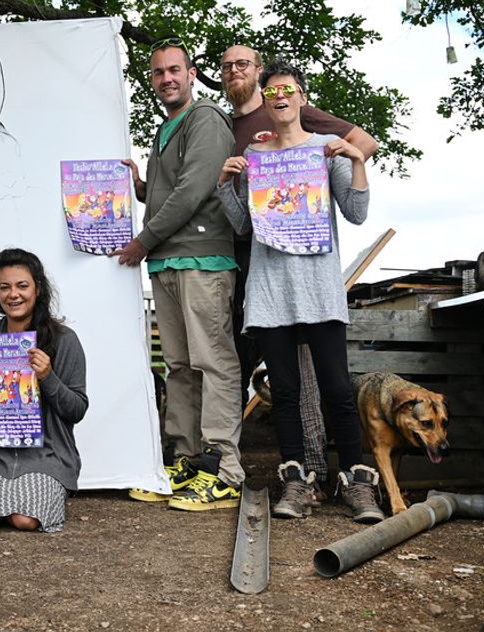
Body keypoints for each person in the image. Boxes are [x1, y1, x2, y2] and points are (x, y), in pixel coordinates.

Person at [217, 59, 383, 523]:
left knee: (338, 390)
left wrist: (356, 160)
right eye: (272, 92)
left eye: (288, 90)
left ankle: (357, 483)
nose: (280, 97)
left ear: (302, 98)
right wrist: (226, 183)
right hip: (271, 290)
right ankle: (297, 482)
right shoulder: (256, 156)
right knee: (285, 393)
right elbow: (244, 225)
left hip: (319, 288)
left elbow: (356, 213)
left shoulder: (325, 149)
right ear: (265, 101)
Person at [113, 38, 243, 511]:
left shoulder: (205, 117)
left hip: (202, 260)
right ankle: (186, 459)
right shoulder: (165, 127)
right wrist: (140, 186)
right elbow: (169, 191)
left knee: (213, 361)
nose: (166, 78)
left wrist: (142, 240)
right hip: (167, 261)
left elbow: (193, 191)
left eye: (174, 70)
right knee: (180, 367)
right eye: (158, 72)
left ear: (191, 75)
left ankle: (226, 470)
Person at [0, 248, 88, 533]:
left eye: (22, 285)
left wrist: (47, 377)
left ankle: (29, 501)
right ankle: (6, 504)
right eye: (5, 287)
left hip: (45, 455)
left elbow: (77, 409)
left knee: (24, 520)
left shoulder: (64, 339)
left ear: (38, 289)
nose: (13, 294)